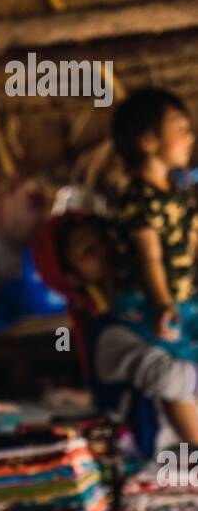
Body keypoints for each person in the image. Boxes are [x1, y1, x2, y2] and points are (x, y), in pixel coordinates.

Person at [33, 210, 198, 454]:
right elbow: (170, 380)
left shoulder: (174, 302)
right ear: (73, 277)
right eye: (88, 251)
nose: (104, 250)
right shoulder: (107, 333)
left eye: (107, 239)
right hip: (169, 457)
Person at [110, 89, 198, 439]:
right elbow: (150, 258)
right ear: (148, 141)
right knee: (177, 378)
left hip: (183, 303)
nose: (190, 135)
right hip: (148, 305)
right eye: (179, 126)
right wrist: (161, 304)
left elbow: (193, 245)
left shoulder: (178, 195)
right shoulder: (139, 199)